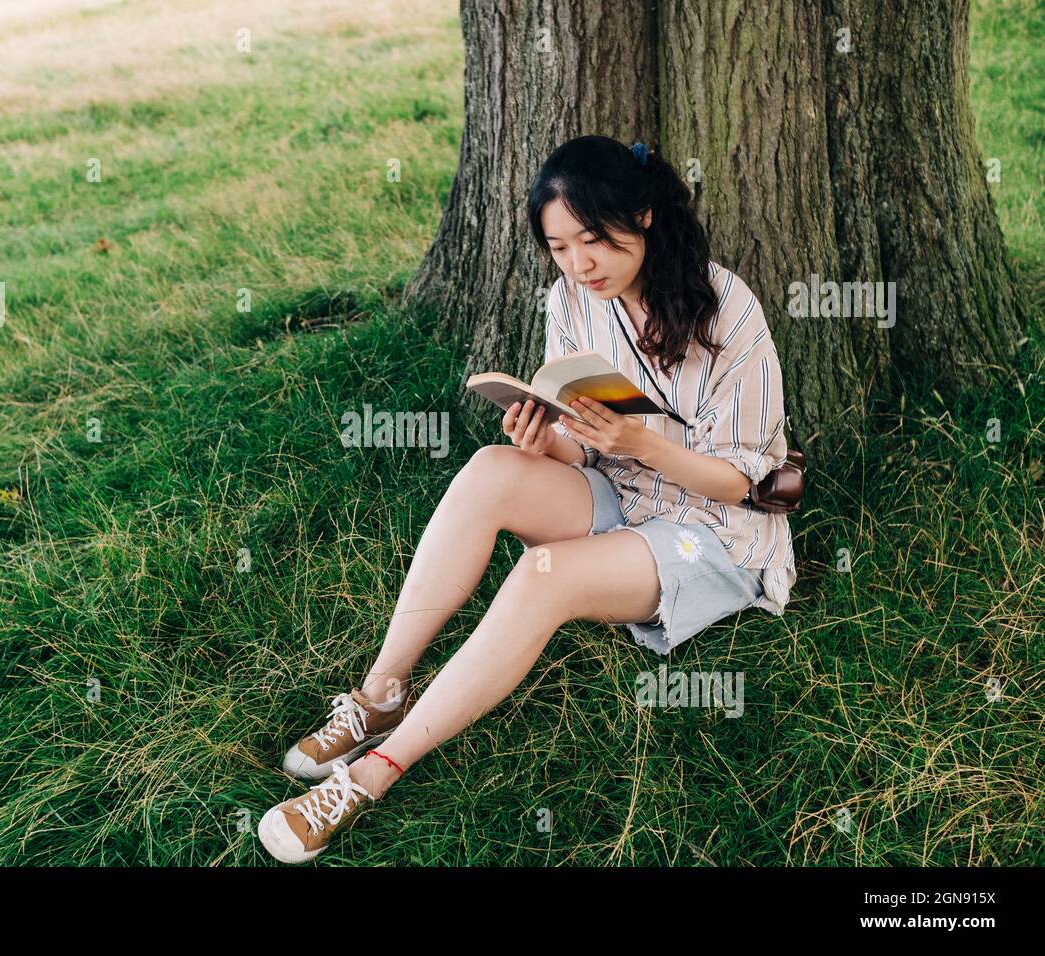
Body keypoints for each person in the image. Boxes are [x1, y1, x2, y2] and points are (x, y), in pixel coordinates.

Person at [257, 135, 797, 864]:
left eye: (596, 241)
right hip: (625, 492)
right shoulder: (572, 298)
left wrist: (644, 446)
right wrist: (549, 444)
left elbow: (743, 482)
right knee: (492, 467)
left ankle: (371, 775)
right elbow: (588, 446)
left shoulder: (724, 305)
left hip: (713, 533)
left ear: (642, 216)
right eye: (560, 247)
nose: (580, 265)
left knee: (546, 575)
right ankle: (381, 692)